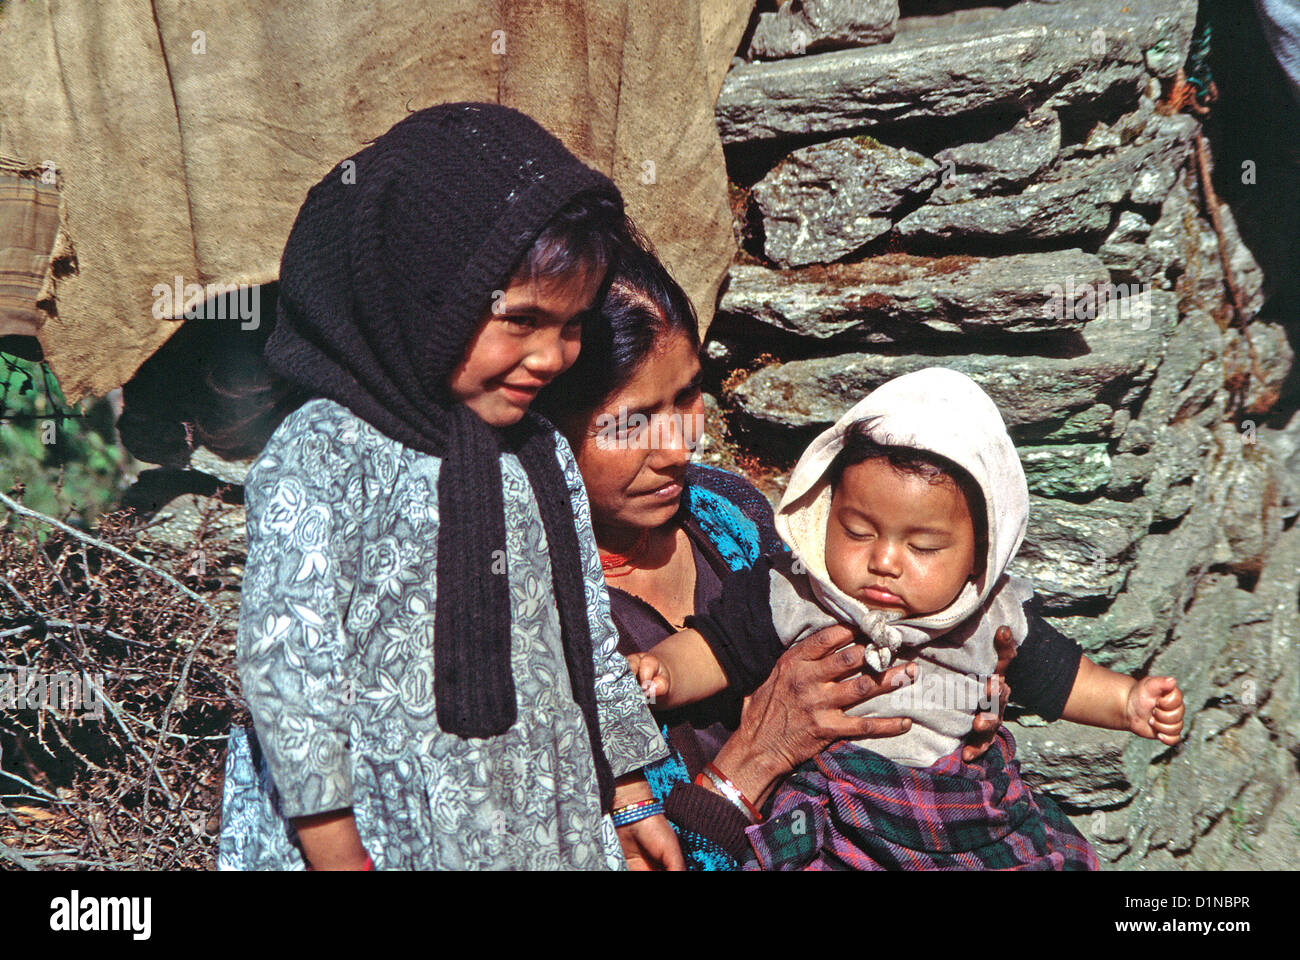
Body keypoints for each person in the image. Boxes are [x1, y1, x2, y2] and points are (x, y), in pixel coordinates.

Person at [218, 102, 683, 870]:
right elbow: (288, 669)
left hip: (537, 812)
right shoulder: (328, 454)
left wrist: (627, 788)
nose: (551, 356)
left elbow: (584, 633)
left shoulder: (537, 451)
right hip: (378, 826)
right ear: (419, 299)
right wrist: (336, 851)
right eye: (522, 320)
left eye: (570, 327)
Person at [535, 246, 1038, 870]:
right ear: (548, 423)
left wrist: (957, 702)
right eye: (631, 421)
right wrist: (756, 758)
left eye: (688, 393)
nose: (678, 447)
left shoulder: (727, 511)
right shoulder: (535, 619)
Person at [632, 367, 1187, 869]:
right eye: (857, 531)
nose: (884, 561)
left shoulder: (991, 618)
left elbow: (1061, 679)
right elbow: (719, 647)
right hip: (839, 812)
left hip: (960, 808)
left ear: (979, 554)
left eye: (923, 547)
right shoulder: (796, 594)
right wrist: (663, 671)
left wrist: (1128, 703)